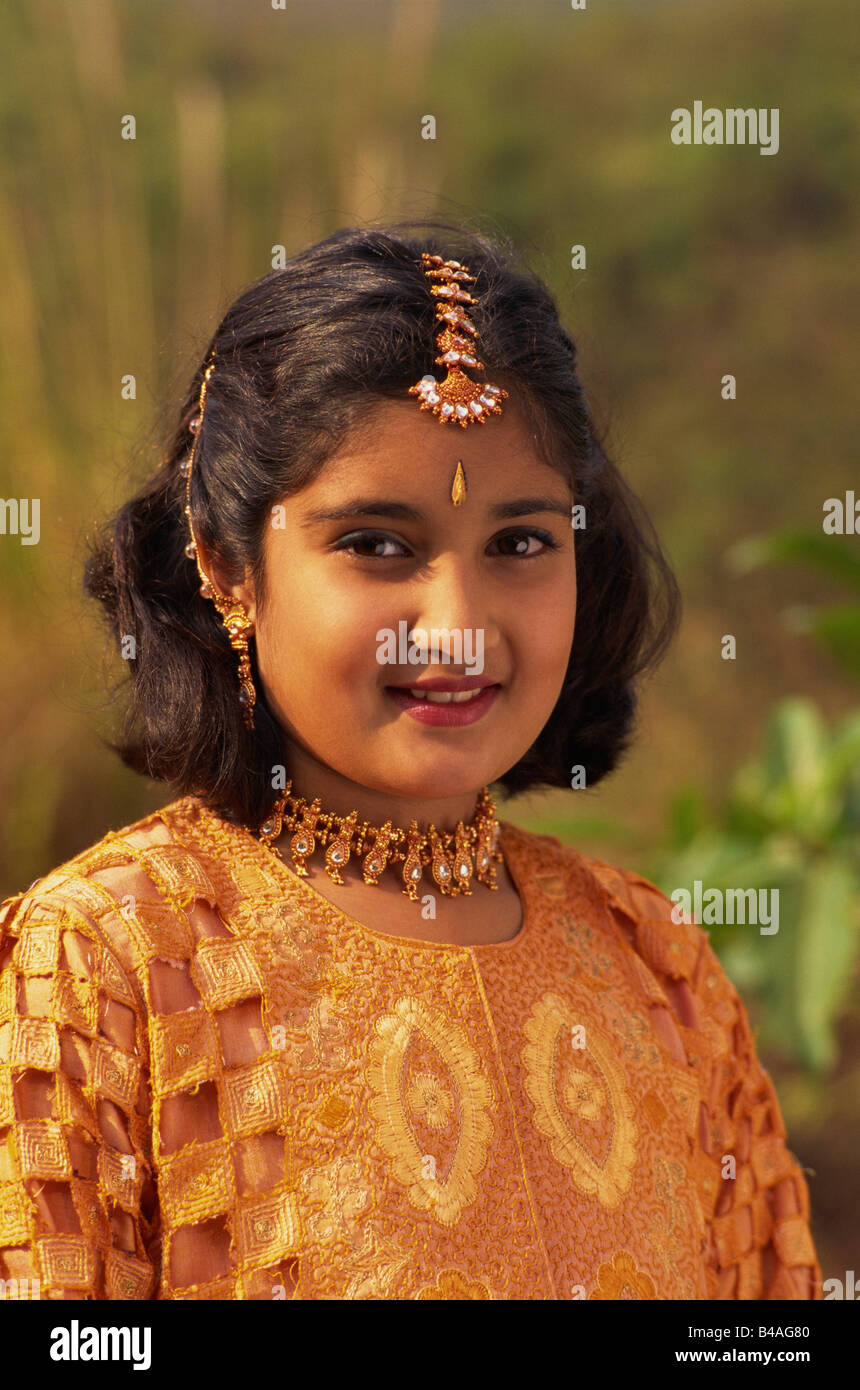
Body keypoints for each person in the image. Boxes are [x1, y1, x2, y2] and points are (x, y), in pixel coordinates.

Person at [0, 222, 819, 1301]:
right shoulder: (110, 965)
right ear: (225, 564)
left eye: (519, 542)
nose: (455, 627)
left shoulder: (655, 967)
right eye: (376, 545)